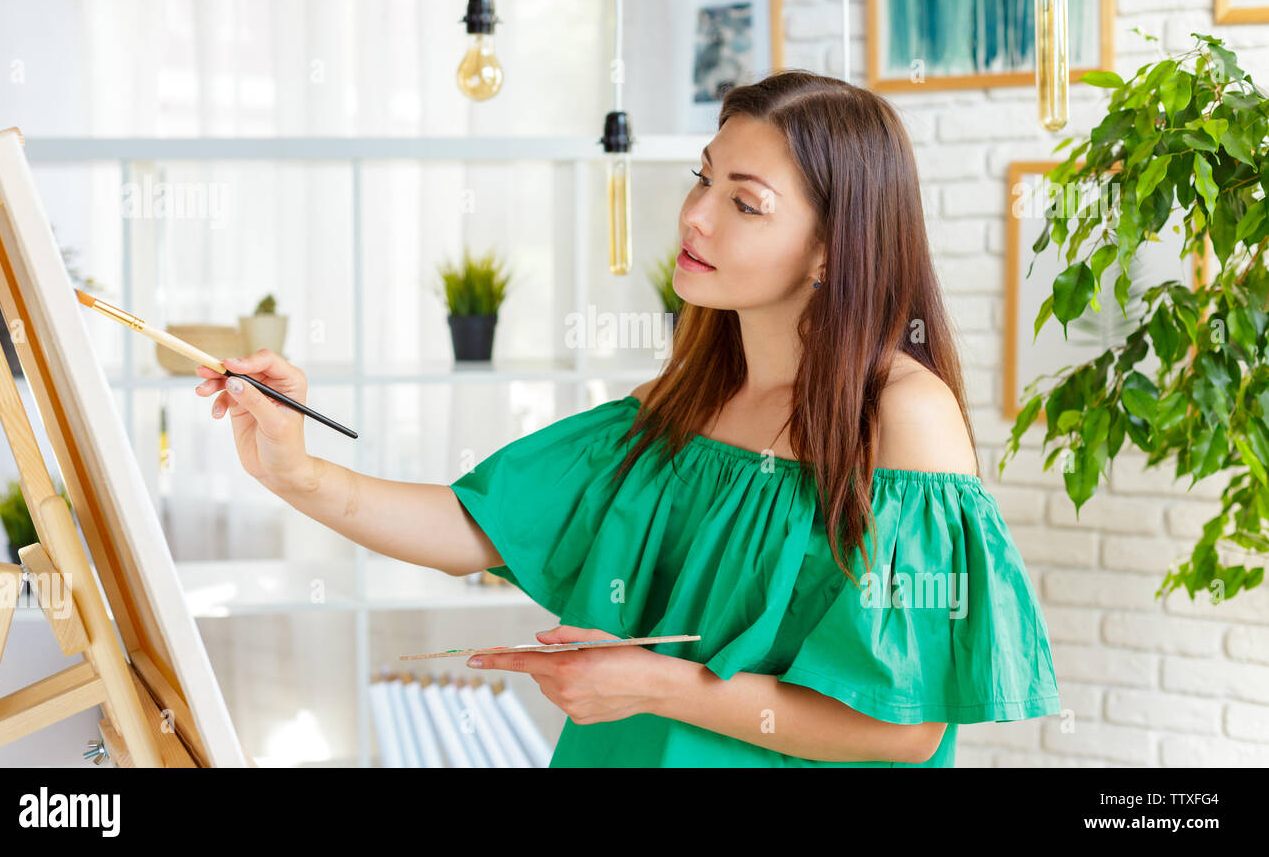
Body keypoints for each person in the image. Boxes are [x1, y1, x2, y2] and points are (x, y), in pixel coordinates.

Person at [196, 69, 1060, 768]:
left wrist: (653, 686)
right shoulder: (682, 400)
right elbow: (475, 522)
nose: (694, 214)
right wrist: (294, 470)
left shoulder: (906, 417)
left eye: (744, 202)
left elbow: (900, 732)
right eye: (703, 178)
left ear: (834, 248)